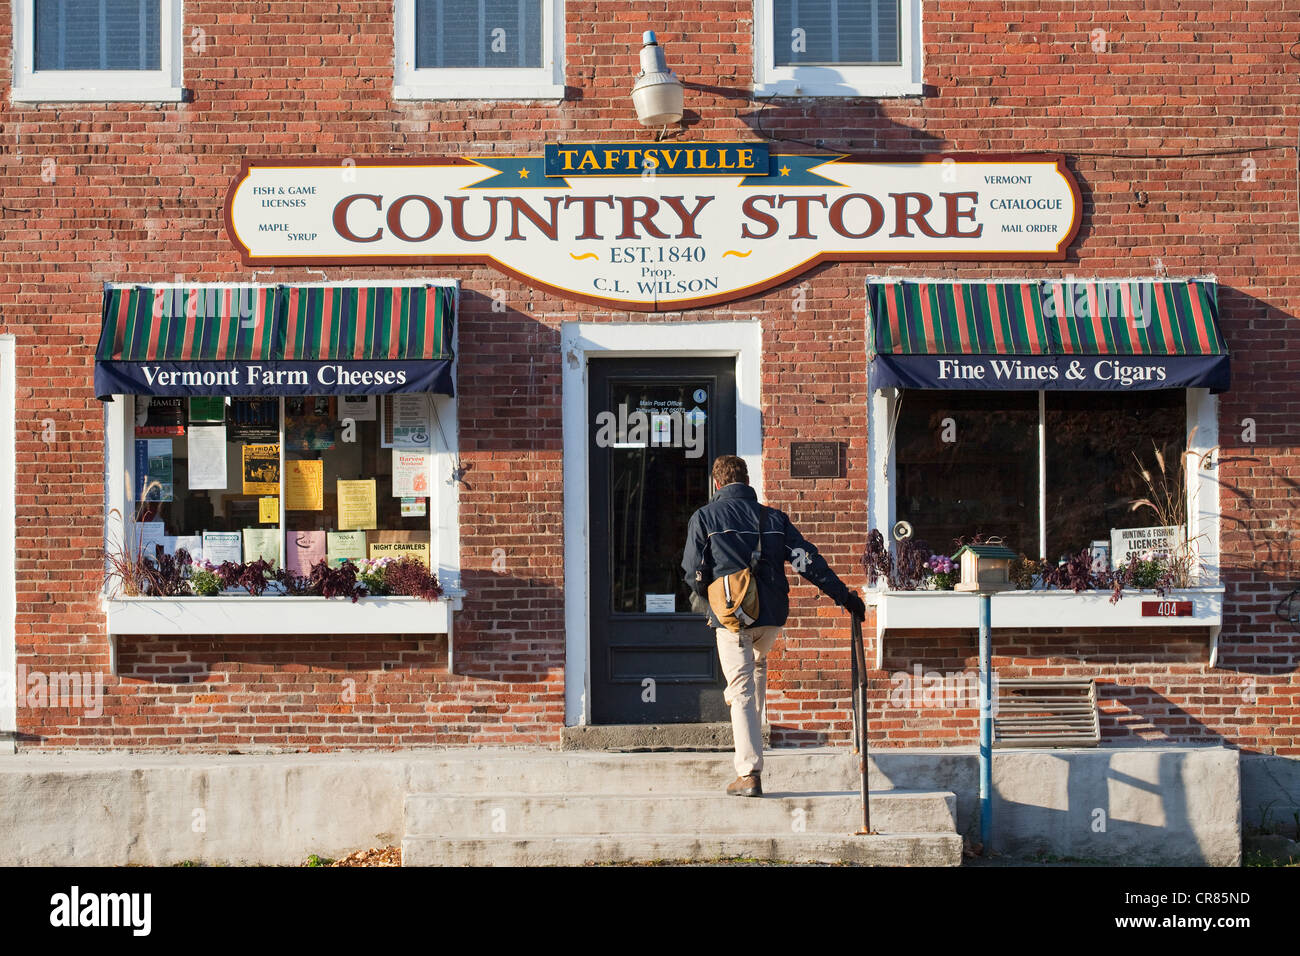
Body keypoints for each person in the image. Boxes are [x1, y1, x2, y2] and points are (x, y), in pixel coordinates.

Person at [681, 454, 867, 797]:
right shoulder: (774, 518)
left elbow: (693, 571)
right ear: (747, 481)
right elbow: (807, 561)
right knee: (756, 667)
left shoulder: (705, 517)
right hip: (769, 619)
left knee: (739, 688)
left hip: (732, 618)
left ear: (717, 484)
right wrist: (845, 597)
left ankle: (749, 772)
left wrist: (711, 602)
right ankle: (754, 725)